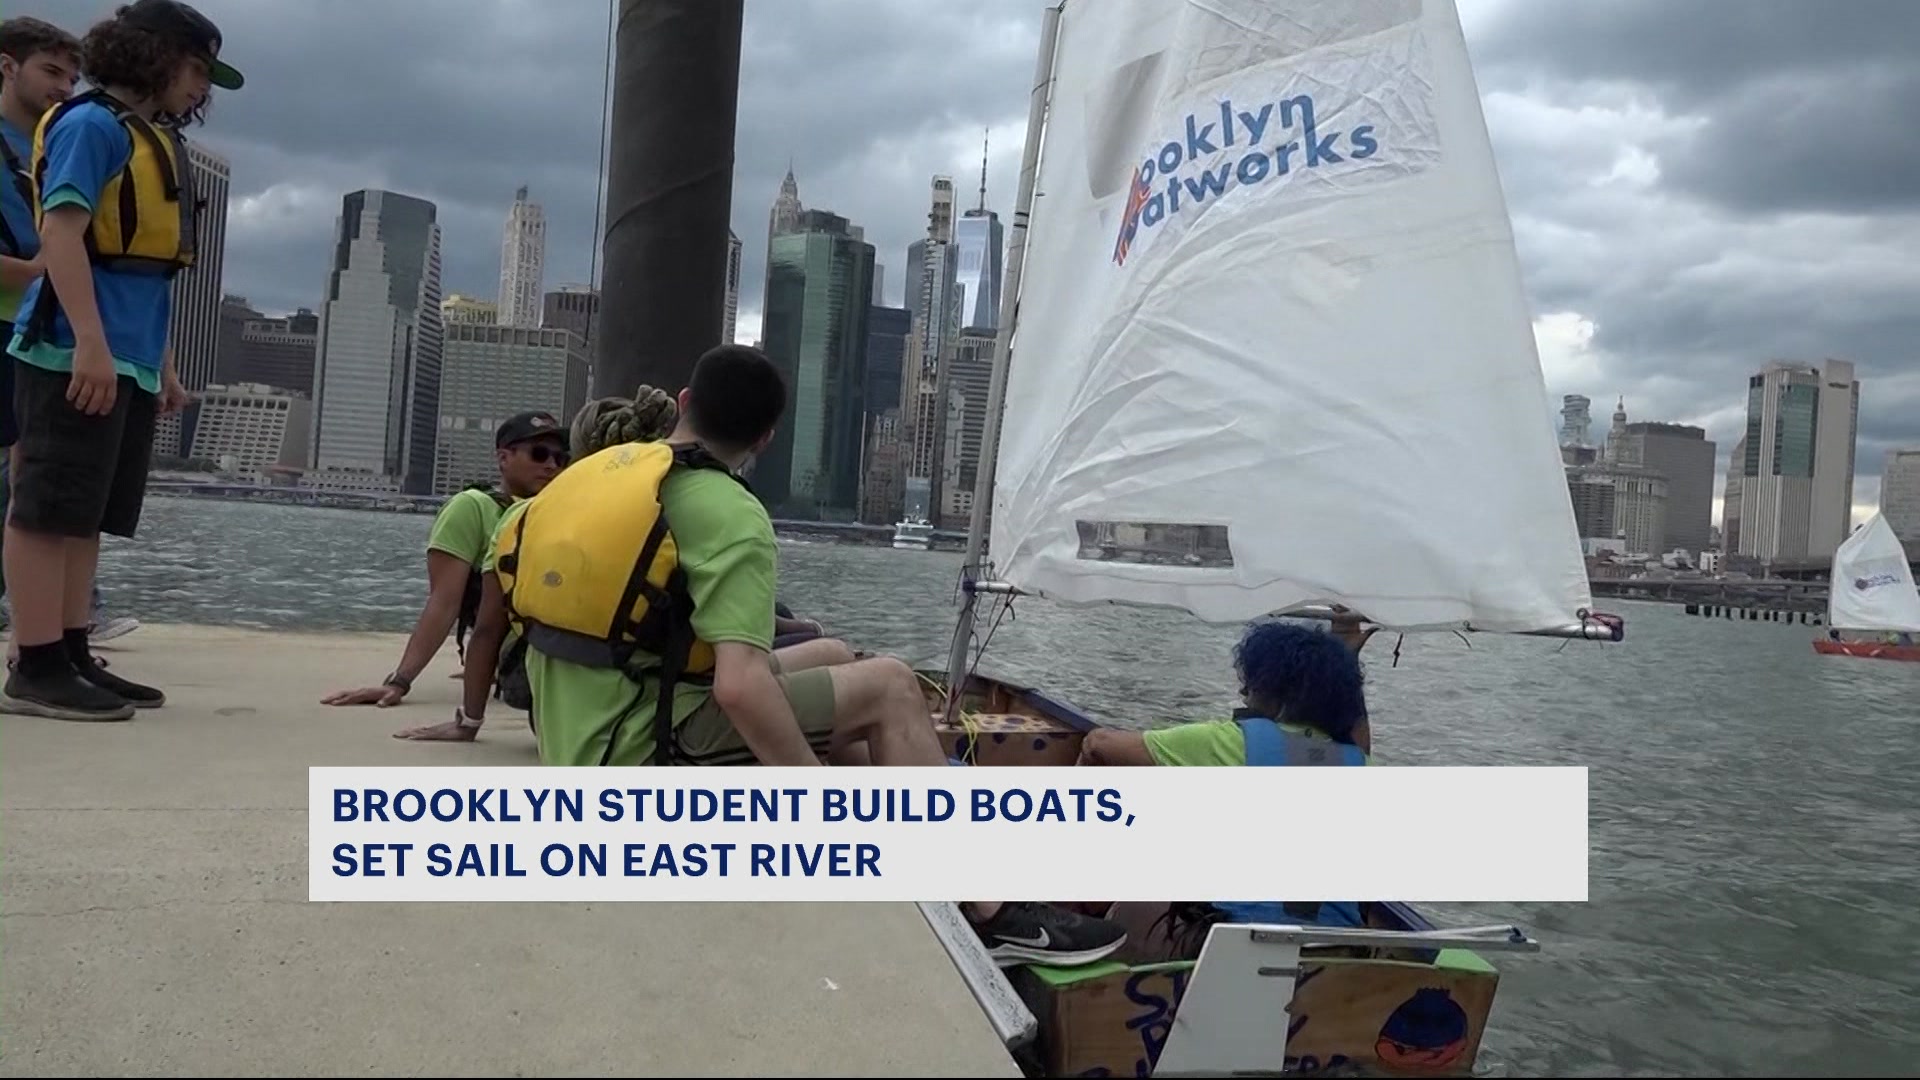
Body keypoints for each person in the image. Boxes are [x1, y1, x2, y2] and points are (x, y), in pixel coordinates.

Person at [489, 343, 1130, 967]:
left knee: (832, 653)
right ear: (766, 438)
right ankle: (989, 912)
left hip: (578, 732)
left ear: (684, 403)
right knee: (890, 685)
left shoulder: (603, 478)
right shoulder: (729, 511)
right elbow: (738, 688)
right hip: (637, 754)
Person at [0, 0, 239, 722]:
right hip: (71, 349)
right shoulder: (92, 126)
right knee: (45, 509)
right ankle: (35, 662)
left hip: (126, 354)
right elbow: (62, 236)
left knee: (86, 513)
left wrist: (160, 365)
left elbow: (148, 271)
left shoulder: (149, 137)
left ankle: (71, 650)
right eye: (196, 69)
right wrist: (90, 344)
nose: (201, 88)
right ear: (155, 56)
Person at [1077, 618, 1376, 962]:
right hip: (1333, 951)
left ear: (1274, 691)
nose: (1244, 694)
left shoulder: (1230, 742)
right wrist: (1347, 656)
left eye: (1250, 685)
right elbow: (1358, 740)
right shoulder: (1361, 766)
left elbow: (1099, 744)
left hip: (1232, 946)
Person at [323, 410, 569, 710]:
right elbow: (444, 601)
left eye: (560, 458)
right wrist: (399, 681)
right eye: (539, 454)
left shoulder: (556, 512)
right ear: (504, 458)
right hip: (525, 656)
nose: (551, 465)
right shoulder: (472, 507)